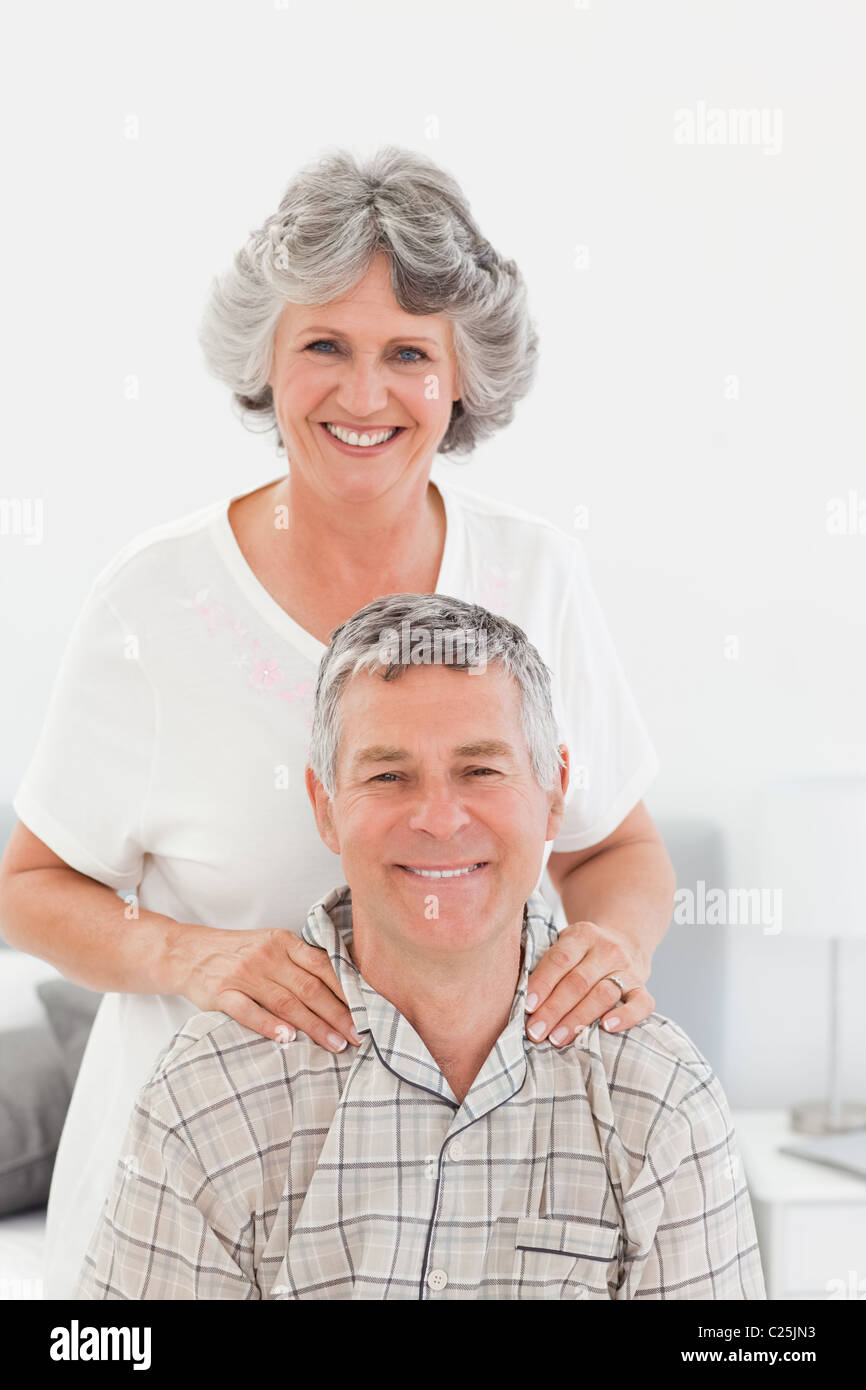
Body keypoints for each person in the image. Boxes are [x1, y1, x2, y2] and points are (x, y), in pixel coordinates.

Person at [0, 146, 675, 1300]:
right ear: (267, 356)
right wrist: (193, 956)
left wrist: (607, 944)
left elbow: (615, 845)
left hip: (456, 1220)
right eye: (325, 345)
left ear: (461, 378)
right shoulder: (151, 602)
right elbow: (26, 886)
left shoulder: (534, 576)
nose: (362, 395)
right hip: (188, 1199)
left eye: (406, 354)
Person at [77, 594, 764, 1301]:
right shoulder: (208, 1095)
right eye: (388, 776)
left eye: (481, 770)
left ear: (554, 792)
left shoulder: (660, 1098)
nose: (438, 819)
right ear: (326, 808)